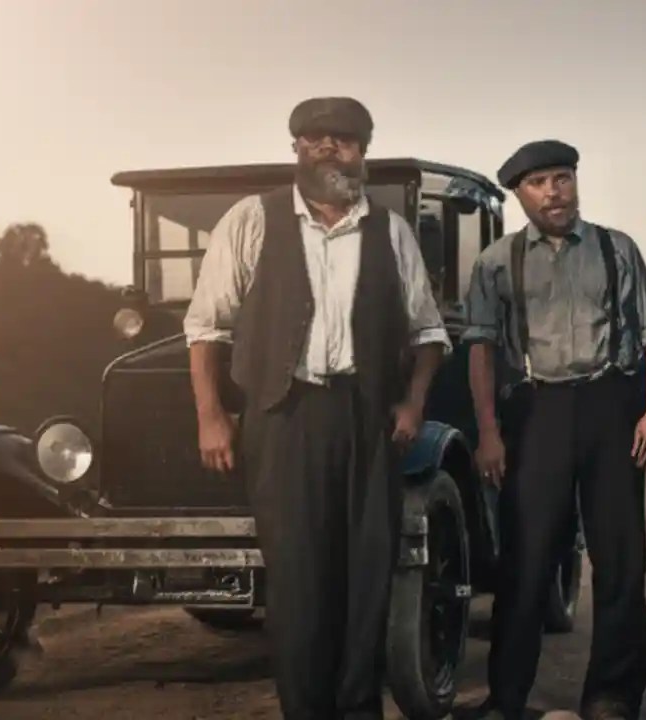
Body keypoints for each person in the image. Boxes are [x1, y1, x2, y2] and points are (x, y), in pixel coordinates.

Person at [183, 96, 450, 720]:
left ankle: (359, 709)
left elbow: (429, 333)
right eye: (316, 139)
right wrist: (211, 414)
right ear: (297, 149)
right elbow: (206, 327)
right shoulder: (252, 219)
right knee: (299, 583)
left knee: (366, 578)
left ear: (363, 154)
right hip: (283, 419)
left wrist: (412, 405)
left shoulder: (391, 231)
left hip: (368, 420)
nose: (330, 149)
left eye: (345, 141)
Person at [462, 139, 646, 720]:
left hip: (611, 404)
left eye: (563, 178)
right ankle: (507, 699)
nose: (554, 191)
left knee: (621, 557)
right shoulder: (497, 262)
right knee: (526, 560)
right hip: (536, 411)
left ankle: (611, 695)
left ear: (575, 182)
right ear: (519, 195)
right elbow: (479, 348)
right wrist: (488, 432)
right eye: (539, 183)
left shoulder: (615, 247)